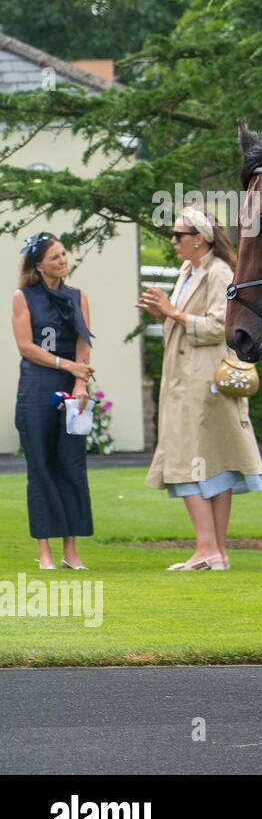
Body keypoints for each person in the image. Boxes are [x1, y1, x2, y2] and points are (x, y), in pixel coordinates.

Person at [140, 207, 262, 570]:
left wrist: (172, 312)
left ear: (200, 239)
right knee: (210, 459)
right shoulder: (190, 270)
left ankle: (208, 548)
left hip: (203, 380)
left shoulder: (219, 271)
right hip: (186, 376)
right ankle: (214, 552)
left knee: (189, 459)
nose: (173, 241)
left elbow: (220, 326)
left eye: (178, 235)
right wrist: (163, 311)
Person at [11, 232, 95, 570]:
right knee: (41, 466)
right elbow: (26, 347)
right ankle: (44, 550)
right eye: (54, 258)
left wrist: (80, 382)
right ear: (39, 265)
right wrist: (66, 365)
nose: (62, 261)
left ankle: (70, 551)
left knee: (71, 466)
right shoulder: (23, 296)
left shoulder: (78, 297)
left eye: (63, 254)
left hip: (71, 388)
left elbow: (83, 343)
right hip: (35, 389)